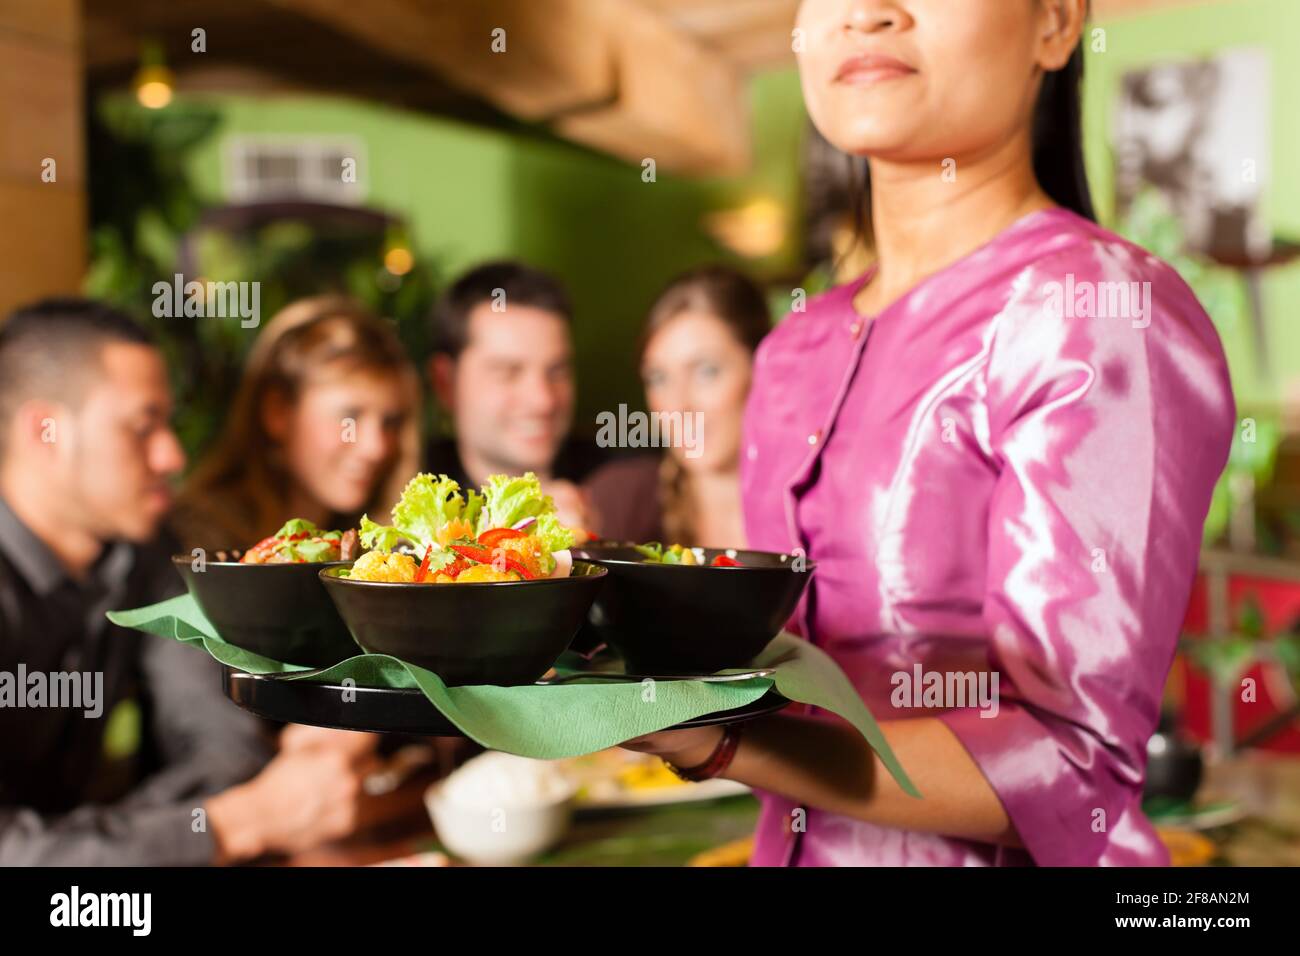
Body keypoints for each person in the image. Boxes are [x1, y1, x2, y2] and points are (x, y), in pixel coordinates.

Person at [622, 0, 1235, 867]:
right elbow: (784, 664)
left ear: (1055, 24)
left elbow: (1072, 762)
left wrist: (718, 739)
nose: (866, 13)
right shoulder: (793, 345)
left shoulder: (1091, 311)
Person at [0, 298, 373, 865]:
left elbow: (220, 742)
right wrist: (232, 825)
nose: (172, 453)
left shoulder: (141, 555)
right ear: (42, 432)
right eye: (142, 426)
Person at [173, 296, 421, 551]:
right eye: (350, 416)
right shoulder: (191, 542)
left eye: (391, 422)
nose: (376, 447)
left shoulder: (381, 548)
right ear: (278, 412)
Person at [584, 266, 770, 546]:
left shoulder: (813, 513)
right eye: (659, 378)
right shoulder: (617, 501)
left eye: (706, 371)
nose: (677, 405)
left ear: (763, 367)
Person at [425, 261, 604, 525]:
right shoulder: (401, 495)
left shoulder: (620, 487)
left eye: (557, 372)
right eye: (508, 373)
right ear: (445, 383)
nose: (543, 400)